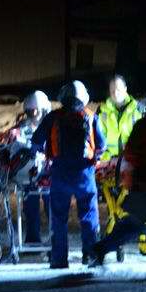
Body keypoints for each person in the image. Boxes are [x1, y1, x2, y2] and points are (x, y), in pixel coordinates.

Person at [85, 84, 146, 279]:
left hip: (144, 187)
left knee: (132, 227)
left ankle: (98, 250)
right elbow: (143, 159)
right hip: (143, 187)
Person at [31, 80, 105, 269]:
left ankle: (59, 259)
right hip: (85, 175)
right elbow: (102, 145)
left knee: (58, 218)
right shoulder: (91, 117)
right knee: (89, 216)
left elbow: (36, 141)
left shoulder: (53, 117)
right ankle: (90, 255)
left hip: (60, 174)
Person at [19, 90, 51, 243]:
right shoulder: (22, 129)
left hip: (49, 174)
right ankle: (32, 240)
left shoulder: (52, 127)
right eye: (32, 111)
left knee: (53, 208)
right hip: (29, 174)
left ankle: (56, 242)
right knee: (30, 208)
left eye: (38, 110)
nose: (35, 114)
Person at [97, 74, 143, 161]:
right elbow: (100, 137)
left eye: (118, 89)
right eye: (112, 91)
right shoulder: (102, 111)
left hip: (132, 159)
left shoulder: (138, 109)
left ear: (125, 89)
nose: (115, 93)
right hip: (109, 160)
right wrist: (105, 158)